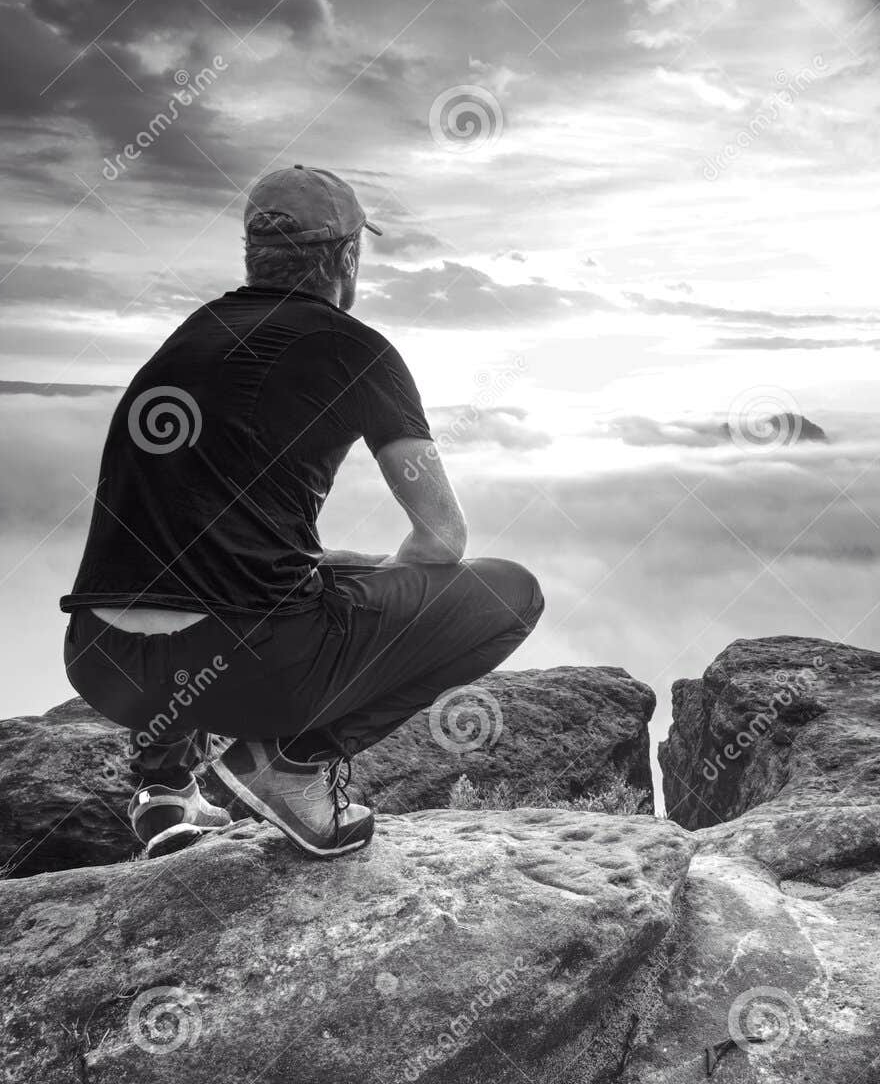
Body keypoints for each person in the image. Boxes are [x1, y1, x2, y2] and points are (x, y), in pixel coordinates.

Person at [60, 165, 543, 860]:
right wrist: (377, 588)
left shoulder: (190, 338)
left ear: (254, 254)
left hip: (103, 659)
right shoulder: (357, 349)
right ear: (347, 257)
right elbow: (442, 537)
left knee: (217, 573)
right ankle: (293, 764)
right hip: (248, 662)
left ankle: (162, 787)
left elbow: (196, 535)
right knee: (512, 591)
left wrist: (332, 570)